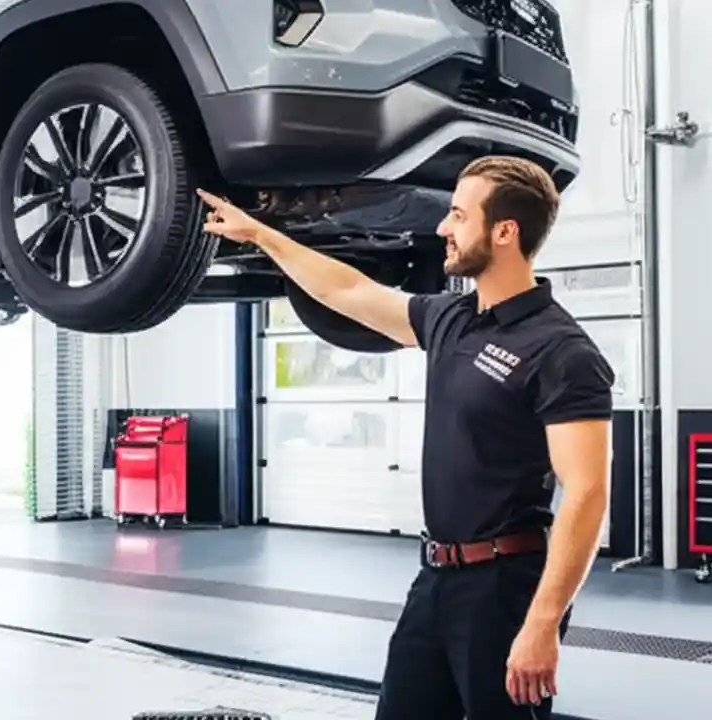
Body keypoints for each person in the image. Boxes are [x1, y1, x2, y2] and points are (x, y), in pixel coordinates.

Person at [198, 155, 614, 719]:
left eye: (459, 216)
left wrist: (543, 622)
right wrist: (259, 234)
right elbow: (348, 289)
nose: (443, 227)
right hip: (435, 579)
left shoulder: (562, 351)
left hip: (506, 590)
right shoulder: (451, 319)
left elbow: (587, 493)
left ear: (505, 232)